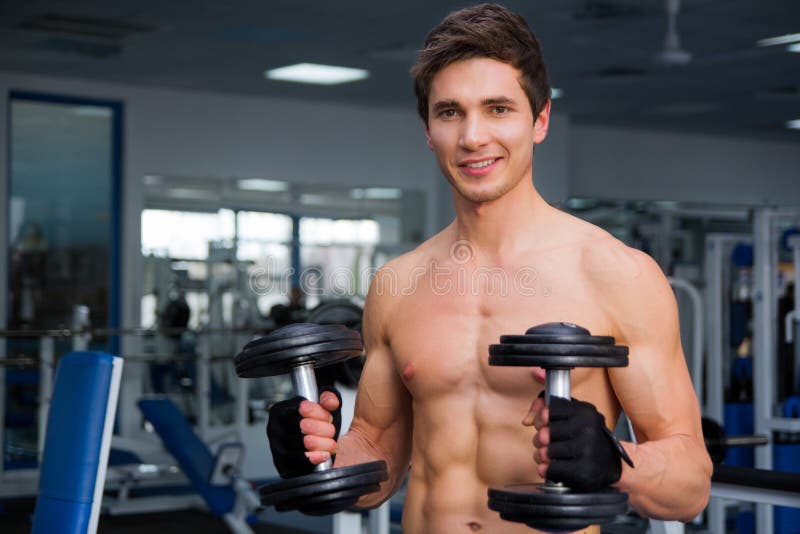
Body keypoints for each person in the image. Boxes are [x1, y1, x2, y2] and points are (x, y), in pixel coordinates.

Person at [267, 4, 712, 532]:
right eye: (450, 111)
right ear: (428, 129)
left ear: (540, 119)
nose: (473, 136)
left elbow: (691, 485)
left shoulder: (618, 274)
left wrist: (618, 464)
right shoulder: (397, 284)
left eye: (498, 108)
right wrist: (320, 459)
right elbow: (377, 461)